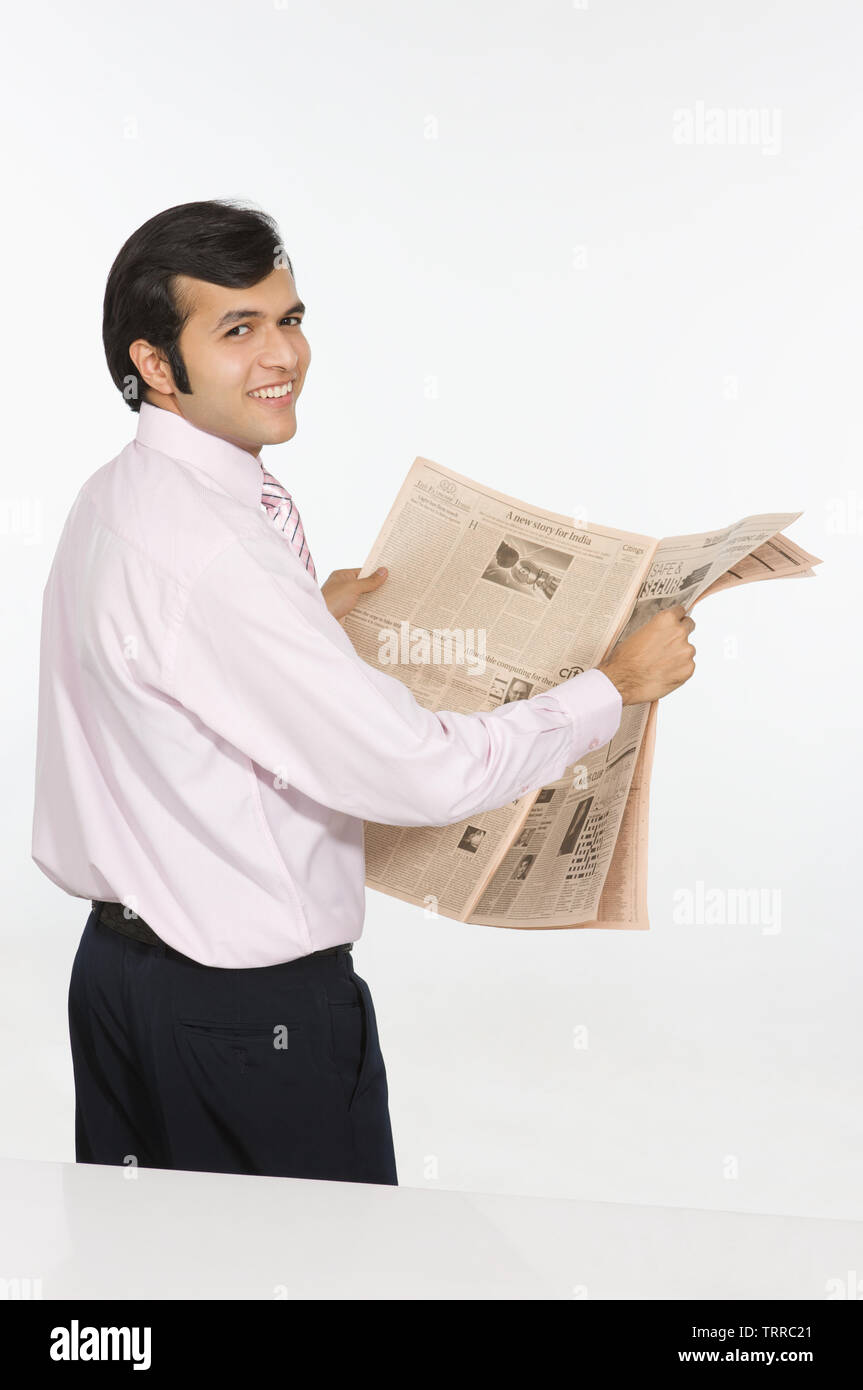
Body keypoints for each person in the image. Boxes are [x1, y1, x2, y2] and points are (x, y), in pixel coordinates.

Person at [30, 199, 697, 1186]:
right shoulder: (217, 557)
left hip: (120, 982)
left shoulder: (117, 496)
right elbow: (416, 773)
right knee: (325, 1281)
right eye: (237, 329)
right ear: (157, 365)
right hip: (245, 1016)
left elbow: (159, 678)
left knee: (159, 1279)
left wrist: (303, 620)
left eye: (290, 319)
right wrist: (613, 687)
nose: (282, 357)